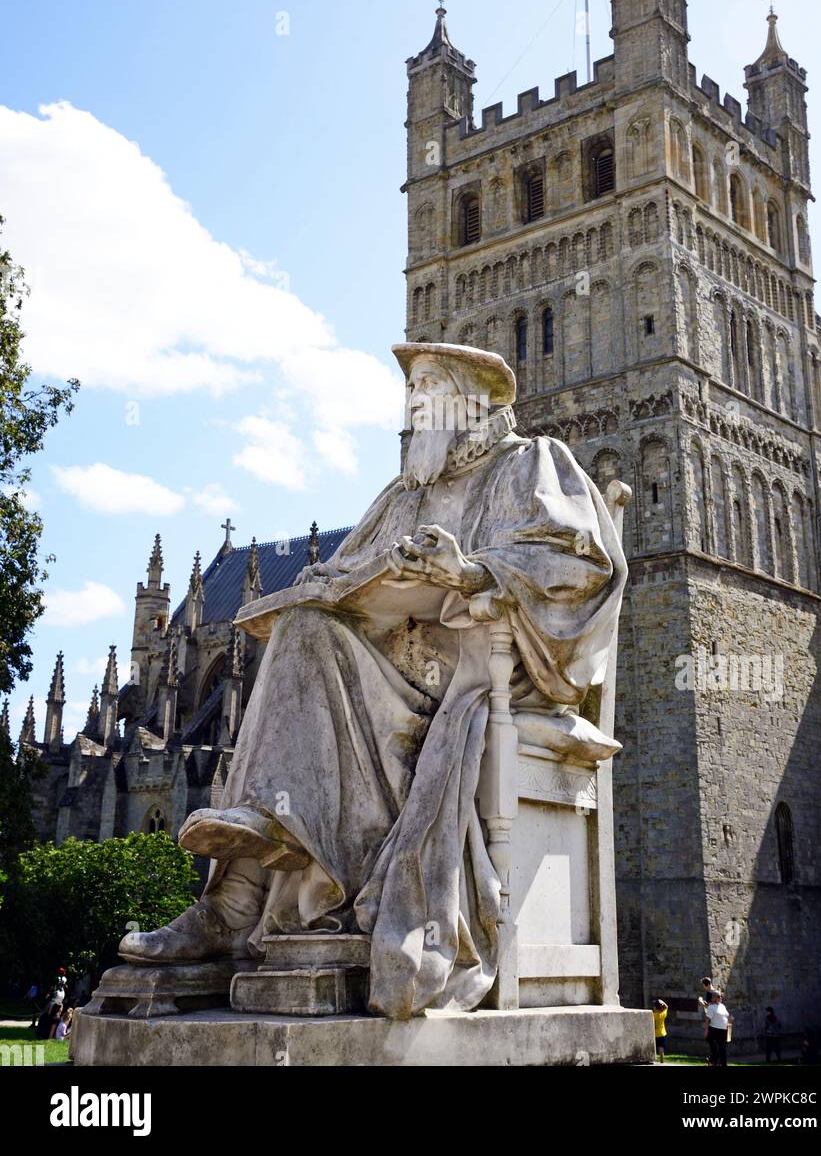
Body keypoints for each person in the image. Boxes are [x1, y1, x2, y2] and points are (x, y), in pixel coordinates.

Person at [119, 342, 628, 1021]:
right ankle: (233, 895)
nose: (414, 411)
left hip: (484, 675)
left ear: (470, 400)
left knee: (314, 641)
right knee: (304, 623)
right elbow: (347, 572)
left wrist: (470, 572)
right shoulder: (403, 494)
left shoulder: (531, 464)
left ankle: (243, 889)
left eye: (426, 395)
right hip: (389, 677)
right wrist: (323, 585)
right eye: (410, 399)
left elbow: (580, 566)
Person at [704, 989, 731, 1067]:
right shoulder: (711, 1007)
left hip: (723, 1031)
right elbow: (707, 1019)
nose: (720, 998)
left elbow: (727, 1016)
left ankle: (718, 1063)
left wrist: (730, 1018)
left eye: (721, 996)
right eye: (719, 996)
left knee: (723, 1050)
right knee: (715, 1050)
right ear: (714, 998)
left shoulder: (722, 1006)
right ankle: (712, 1061)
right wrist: (706, 1031)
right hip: (714, 1031)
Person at [651, 998, 668, 1063]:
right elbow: (667, 1007)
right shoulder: (663, 1014)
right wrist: (662, 1002)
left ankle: (653, 1061)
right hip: (662, 1033)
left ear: (655, 1008)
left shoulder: (653, 1015)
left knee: (654, 1049)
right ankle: (662, 1062)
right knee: (661, 1049)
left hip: (654, 1034)